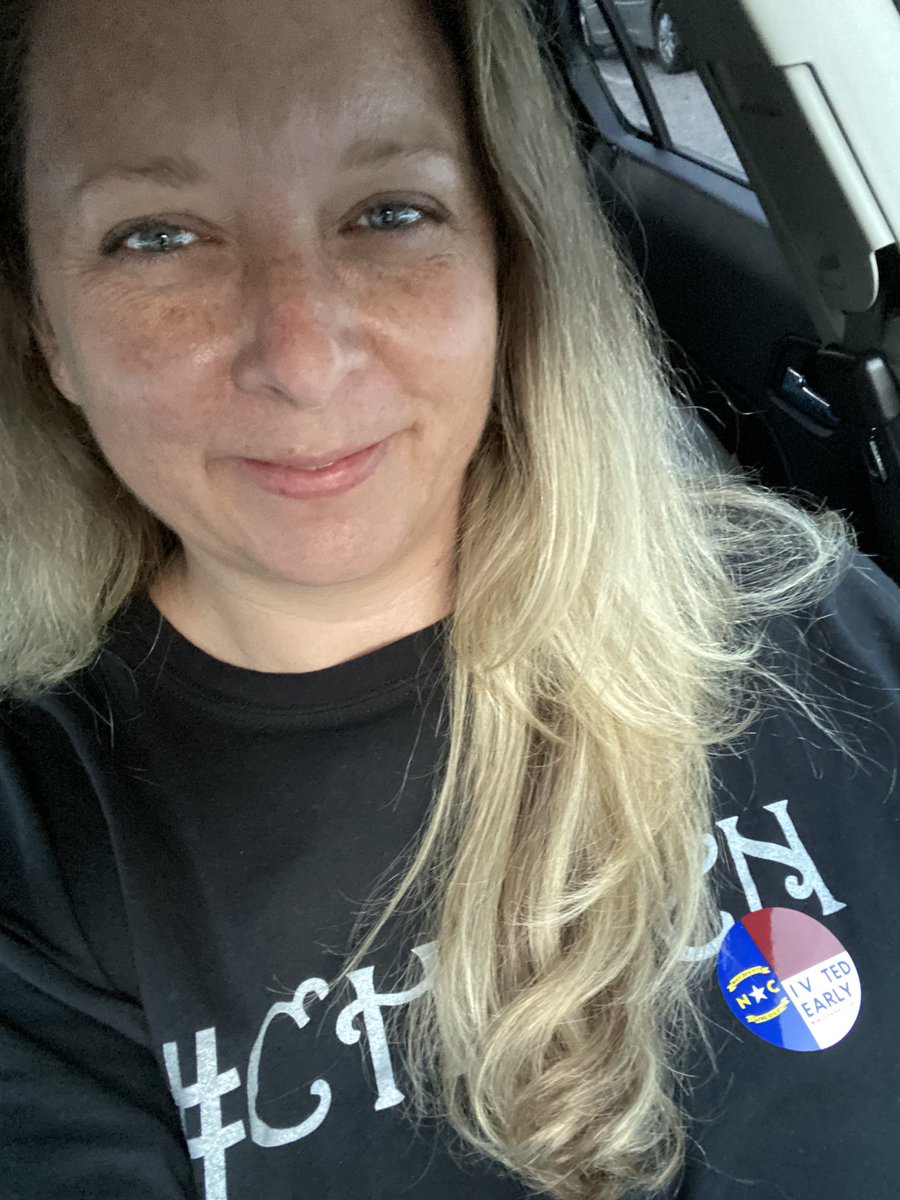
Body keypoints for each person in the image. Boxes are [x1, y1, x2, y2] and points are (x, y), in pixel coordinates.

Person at [0, 0, 898, 1198]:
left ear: (506, 255)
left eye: (390, 212)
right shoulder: (37, 862)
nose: (303, 357)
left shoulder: (814, 626)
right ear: (44, 326)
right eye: (156, 236)